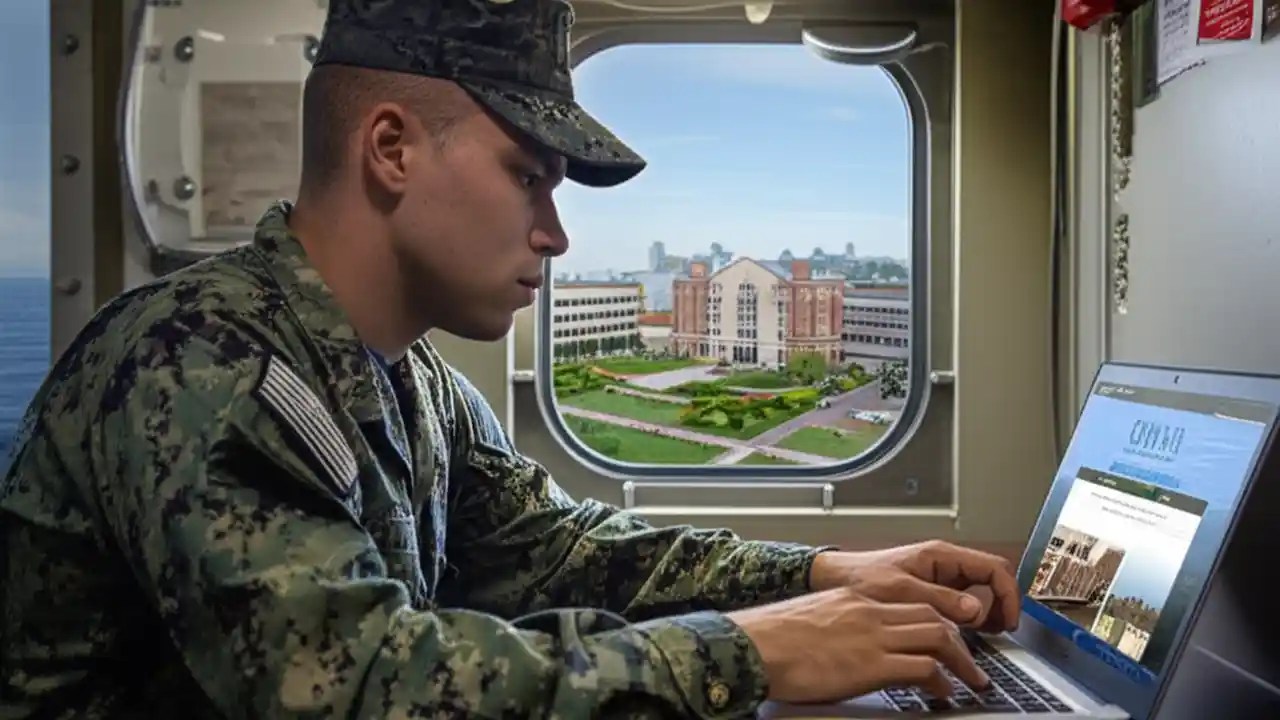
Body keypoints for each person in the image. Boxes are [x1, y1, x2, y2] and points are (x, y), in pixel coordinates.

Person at [0, 0, 1021, 717]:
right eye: (527, 177)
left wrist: (822, 572)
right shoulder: (197, 362)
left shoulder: (412, 383)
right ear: (390, 149)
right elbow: (361, 687)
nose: (554, 234)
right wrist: (748, 653)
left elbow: (558, 550)